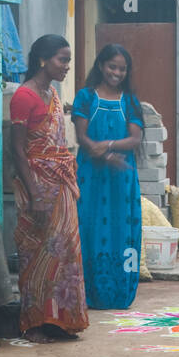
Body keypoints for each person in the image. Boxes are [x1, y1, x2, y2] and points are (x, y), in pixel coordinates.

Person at [9, 35, 88, 341]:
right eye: (62, 59)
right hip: (37, 184)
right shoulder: (24, 96)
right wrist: (34, 194)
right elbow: (17, 150)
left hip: (61, 183)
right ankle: (34, 324)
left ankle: (62, 321)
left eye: (68, 59)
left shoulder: (52, 94)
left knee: (65, 253)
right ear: (43, 59)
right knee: (36, 254)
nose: (67, 66)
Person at [72, 44, 144, 310]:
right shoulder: (86, 97)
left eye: (122, 68)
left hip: (121, 179)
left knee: (123, 230)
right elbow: (82, 137)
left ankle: (120, 291)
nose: (117, 72)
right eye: (112, 66)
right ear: (101, 66)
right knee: (87, 227)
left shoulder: (130, 101)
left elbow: (134, 139)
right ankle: (89, 292)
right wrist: (102, 154)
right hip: (90, 176)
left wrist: (109, 146)